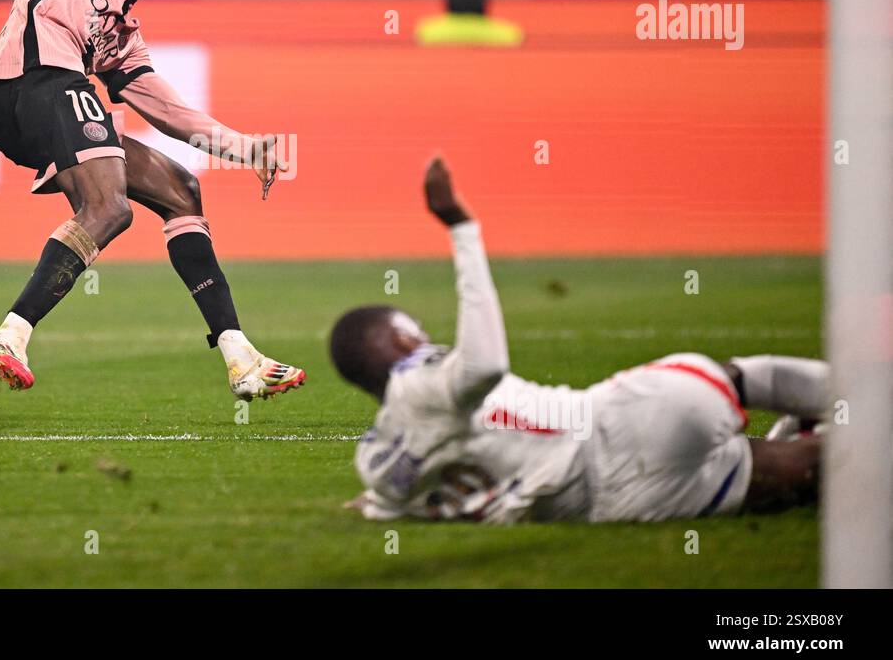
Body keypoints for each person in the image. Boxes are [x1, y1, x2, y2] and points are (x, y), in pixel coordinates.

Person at [0, 0, 306, 402]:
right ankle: (9, 334)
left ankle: (241, 357)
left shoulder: (122, 34)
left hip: (49, 101)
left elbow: (168, 112)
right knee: (108, 207)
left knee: (182, 192)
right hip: (29, 85)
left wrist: (244, 147)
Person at [330, 156, 825, 523]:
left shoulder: (376, 463)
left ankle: (819, 441)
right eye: (413, 329)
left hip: (620, 506)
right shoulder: (419, 380)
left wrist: (375, 504)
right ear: (400, 337)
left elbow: (395, 494)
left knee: (813, 471)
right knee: (750, 377)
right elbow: (484, 367)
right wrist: (462, 227)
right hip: (622, 424)